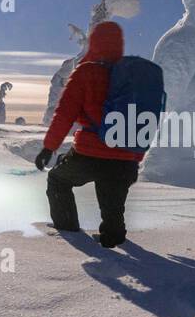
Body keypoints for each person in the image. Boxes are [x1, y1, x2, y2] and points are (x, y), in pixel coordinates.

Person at [35, 21, 143, 248]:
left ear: (95, 42)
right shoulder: (134, 76)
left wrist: (49, 147)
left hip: (89, 154)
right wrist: (135, 157)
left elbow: (65, 113)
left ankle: (70, 234)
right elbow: (145, 119)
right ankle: (113, 240)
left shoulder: (85, 72)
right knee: (113, 207)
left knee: (58, 180)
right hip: (124, 157)